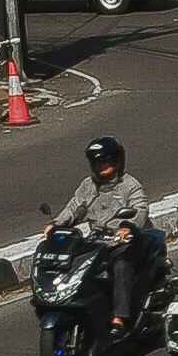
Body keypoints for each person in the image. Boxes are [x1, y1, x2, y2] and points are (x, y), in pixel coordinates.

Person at [68, 131, 159, 336]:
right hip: (99, 241)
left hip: (129, 241)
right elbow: (75, 207)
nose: (101, 167)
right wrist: (56, 224)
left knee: (120, 266)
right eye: (96, 163)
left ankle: (120, 317)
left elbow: (140, 209)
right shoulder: (88, 186)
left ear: (118, 161)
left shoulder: (130, 185)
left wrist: (129, 226)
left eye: (106, 162)